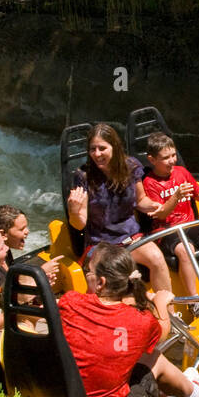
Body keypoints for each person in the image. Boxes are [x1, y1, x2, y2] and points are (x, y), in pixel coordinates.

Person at [60, 244, 199, 397]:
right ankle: (195, 394)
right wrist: (161, 304)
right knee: (153, 358)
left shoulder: (70, 303)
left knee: (137, 356)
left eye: (88, 272)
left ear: (101, 282)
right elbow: (161, 333)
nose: (87, 275)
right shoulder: (139, 321)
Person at [66, 123, 171, 294]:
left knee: (157, 258)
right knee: (112, 275)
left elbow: (141, 200)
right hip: (100, 243)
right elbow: (79, 224)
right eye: (93, 149)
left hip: (130, 236)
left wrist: (153, 205)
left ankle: (167, 313)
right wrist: (74, 210)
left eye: (102, 148)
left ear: (114, 146)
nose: (97, 154)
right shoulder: (83, 176)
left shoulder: (131, 166)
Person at [141, 131, 199, 297]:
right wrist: (176, 197)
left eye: (173, 155)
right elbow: (161, 214)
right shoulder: (149, 183)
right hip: (167, 230)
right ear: (152, 160)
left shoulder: (181, 172)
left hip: (188, 224)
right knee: (186, 250)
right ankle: (194, 300)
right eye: (166, 158)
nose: (172, 160)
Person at [0, 204, 60, 286]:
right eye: (22, 229)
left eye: (26, 227)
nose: (27, 231)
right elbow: (4, 294)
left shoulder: (5, 252)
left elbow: (11, 280)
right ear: (3, 234)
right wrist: (41, 272)